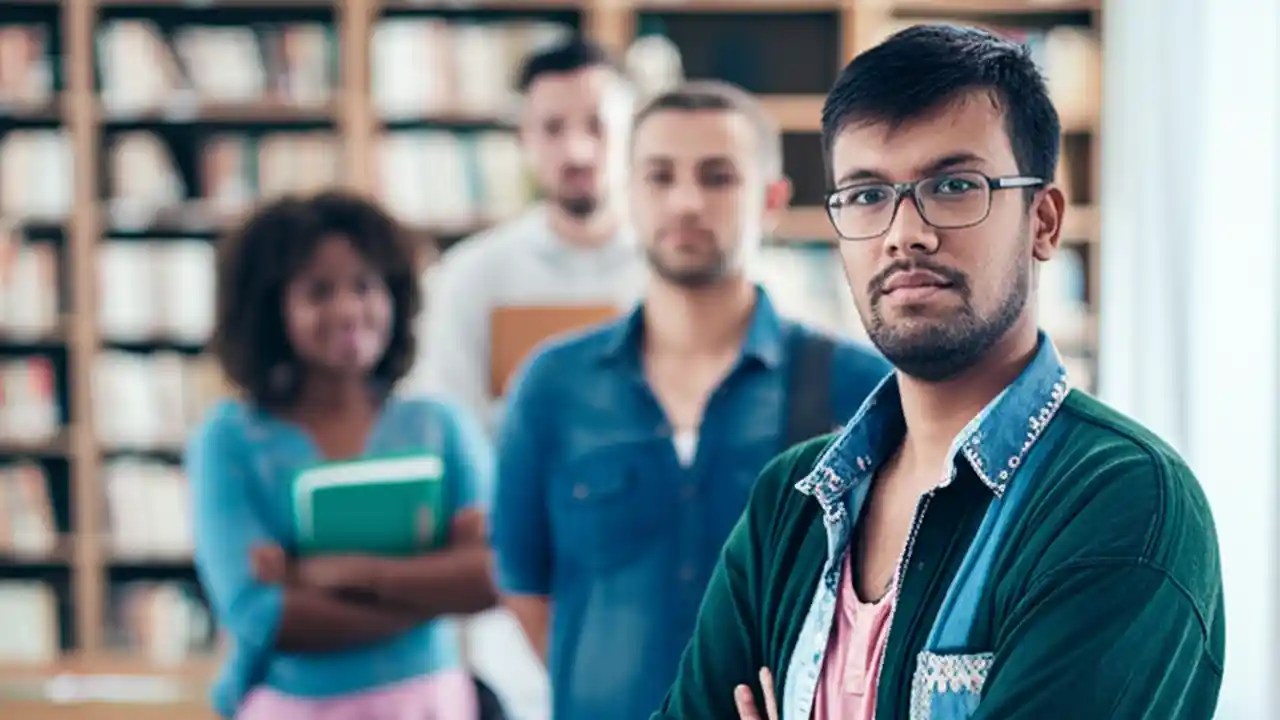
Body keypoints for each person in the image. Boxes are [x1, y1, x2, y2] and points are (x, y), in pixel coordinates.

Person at [655, 25, 1225, 720]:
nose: (904, 232)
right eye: (866, 195)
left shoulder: (1123, 499)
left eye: (954, 186)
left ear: (1043, 221)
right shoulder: (790, 505)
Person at [492, 80, 891, 720]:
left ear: (771, 199)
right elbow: (523, 586)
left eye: (717, 177)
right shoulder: (551, 386)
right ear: (628, 193)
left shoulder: (858, 387)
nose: (685, 201)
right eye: (659, 176)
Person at [188, 191, 497, 720]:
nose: (349, 309)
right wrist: (437, 587)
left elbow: (496, 574)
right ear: (270, 308)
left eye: (365, 286)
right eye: (319, 291)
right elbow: (261, 616)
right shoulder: (229, 439)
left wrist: (341, 574)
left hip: (433, 704)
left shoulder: (439, 425)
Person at [405, 36, 646, 431]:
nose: (577, 152)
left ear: (634, 133)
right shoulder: (466, 276)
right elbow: (451, 425)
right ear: (523, 138)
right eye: (553, 128)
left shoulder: (673, 274)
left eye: (597, 126)